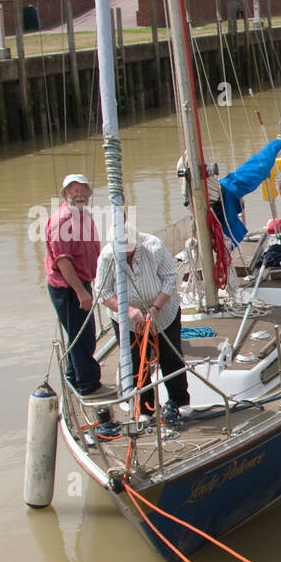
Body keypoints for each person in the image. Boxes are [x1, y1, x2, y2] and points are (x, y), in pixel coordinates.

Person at [94, 226, 191, 426]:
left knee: (170, 357)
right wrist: (128, 310)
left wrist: (156, 307)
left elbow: (171, 277)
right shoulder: (107, 257)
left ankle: (180, 401)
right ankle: (144, 407)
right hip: (127, 320)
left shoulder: (153, 247)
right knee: (136, 361)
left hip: (163, 313)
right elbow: (103, 292)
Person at [45, 173, 110, 399]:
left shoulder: (84, 214)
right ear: (65, 194)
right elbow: (62, 260)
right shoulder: (62, 220)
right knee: (83, 337)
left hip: (82, 282)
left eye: (83, 190)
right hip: (69, 288)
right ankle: (89, 386)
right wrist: (80, 291)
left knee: (82, 335)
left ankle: (73, 376)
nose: (79, 194)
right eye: (74, 190)